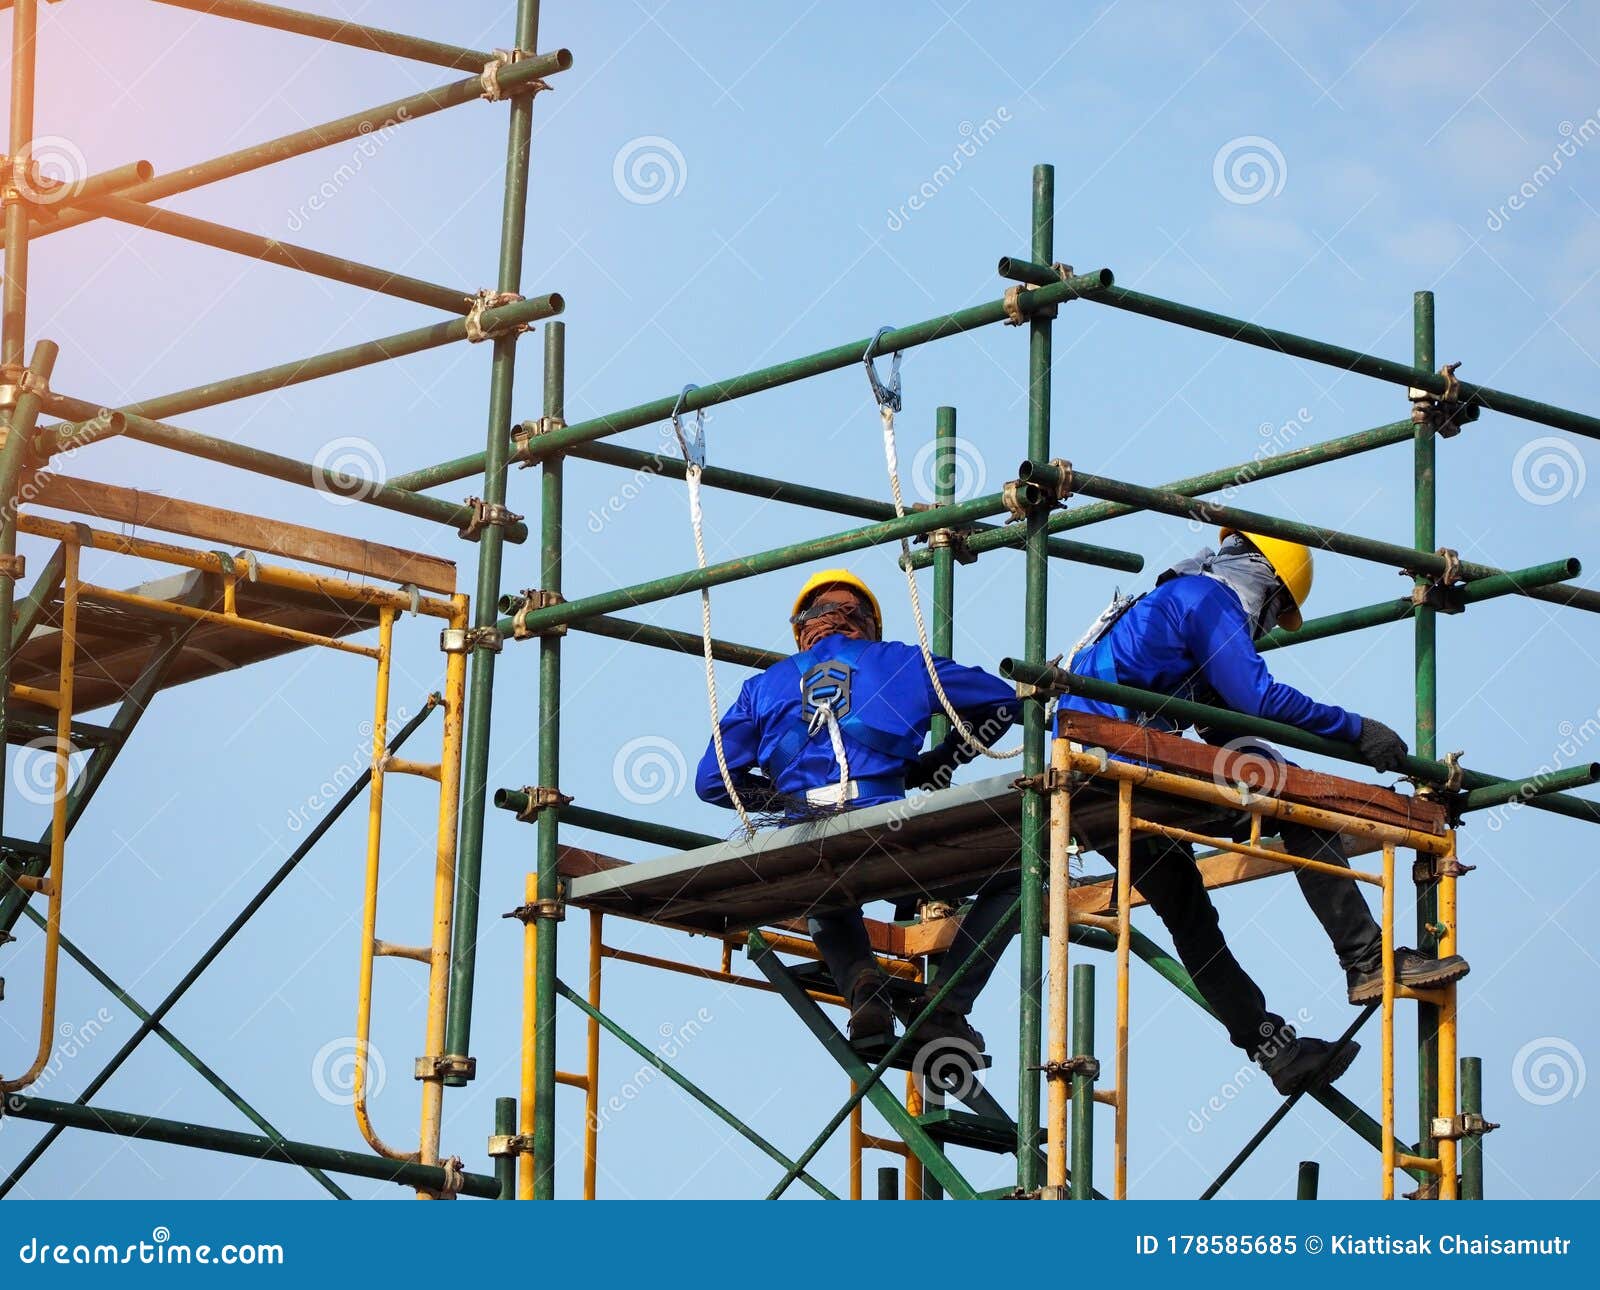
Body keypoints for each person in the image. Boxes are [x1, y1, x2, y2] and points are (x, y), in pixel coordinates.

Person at [1055, 528, 1470, 1096]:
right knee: (1298, 807)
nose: (1268, 628)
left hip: (1084, 780)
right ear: (1266, 584)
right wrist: (1355, 731)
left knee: (1189, 915)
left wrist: (1281, 762)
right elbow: (1257, 699)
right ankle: (1367, 958)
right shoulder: (1208, 600)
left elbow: (1224, 722)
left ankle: (1272, 1048)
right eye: (1276, 614)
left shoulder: (1172, 606)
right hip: (1125, 758)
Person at [696, 568, 1021, 1053]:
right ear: (866, 624)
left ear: (803, 630)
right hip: (886, 826)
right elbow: (1006, 702)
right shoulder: (902, 661)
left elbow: (712, 782)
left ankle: (862, 985)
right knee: (1021, 874)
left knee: (820, 886)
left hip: (805, 842)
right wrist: (944, 758)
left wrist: (784, 800)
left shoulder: (760, 689)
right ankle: (946, 1005)